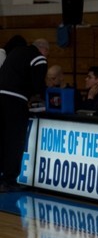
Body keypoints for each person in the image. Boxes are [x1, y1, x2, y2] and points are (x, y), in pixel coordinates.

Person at [0, 38, 49, 189]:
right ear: (44, 50)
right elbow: (38, 85)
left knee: (2, 139)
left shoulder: (15, 53)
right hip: (15, 101)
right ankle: (9, 181)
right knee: (15, 141)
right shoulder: (39, 58)